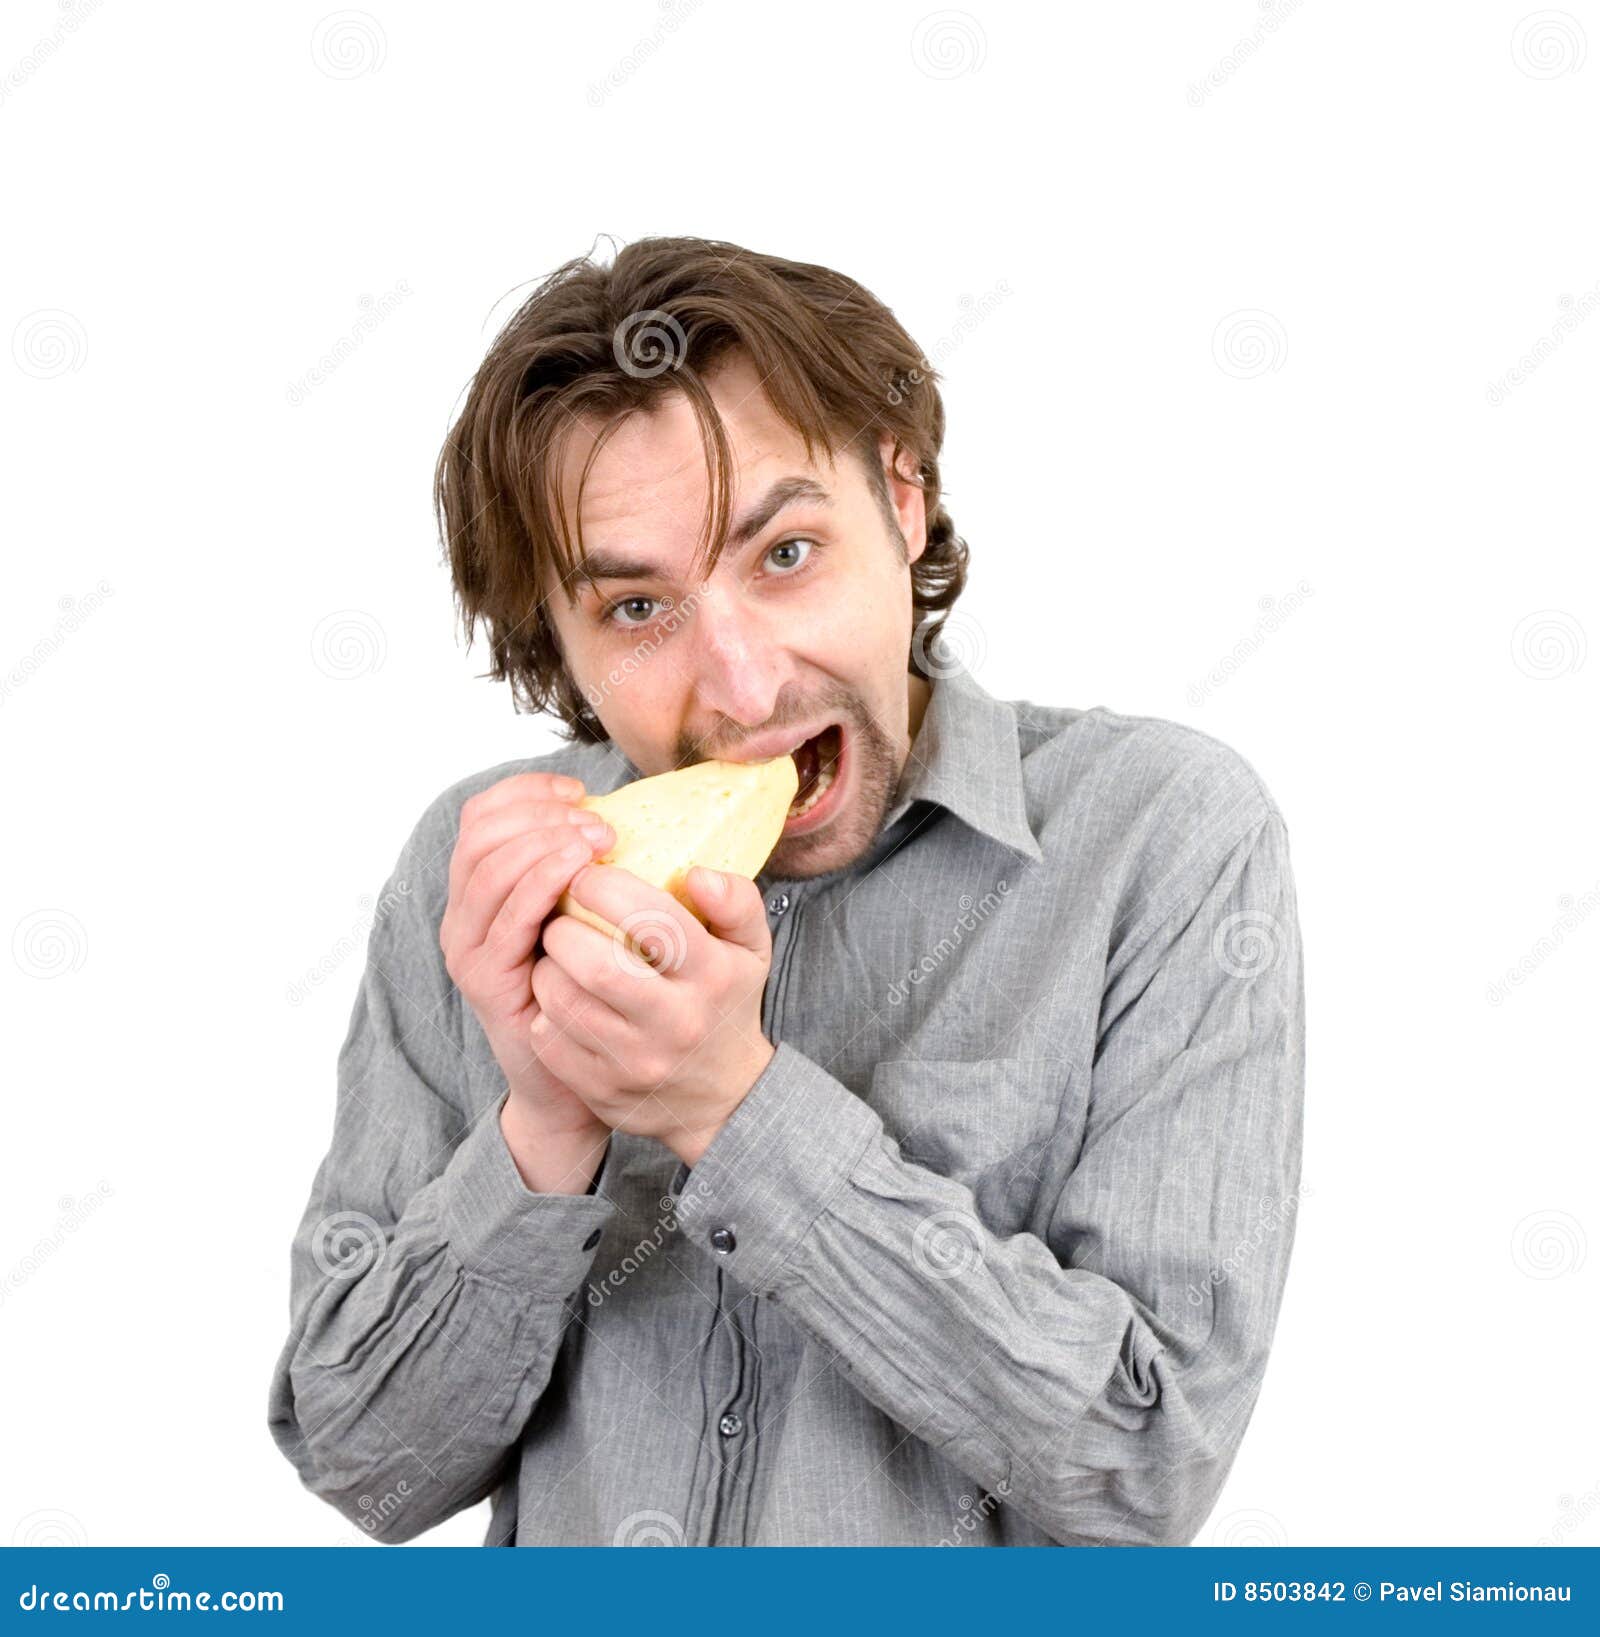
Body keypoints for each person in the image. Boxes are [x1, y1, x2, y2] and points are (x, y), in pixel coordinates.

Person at [267, 235, 1305, 1547]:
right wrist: (546, 1121)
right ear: (561, 641)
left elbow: (1144, 1469)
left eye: (786, 553)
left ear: (903, 498)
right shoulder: (481, 879)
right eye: (639, 608)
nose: (745, 688)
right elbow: (368, 1466)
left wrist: (730, 1108)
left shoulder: (1159, 837)